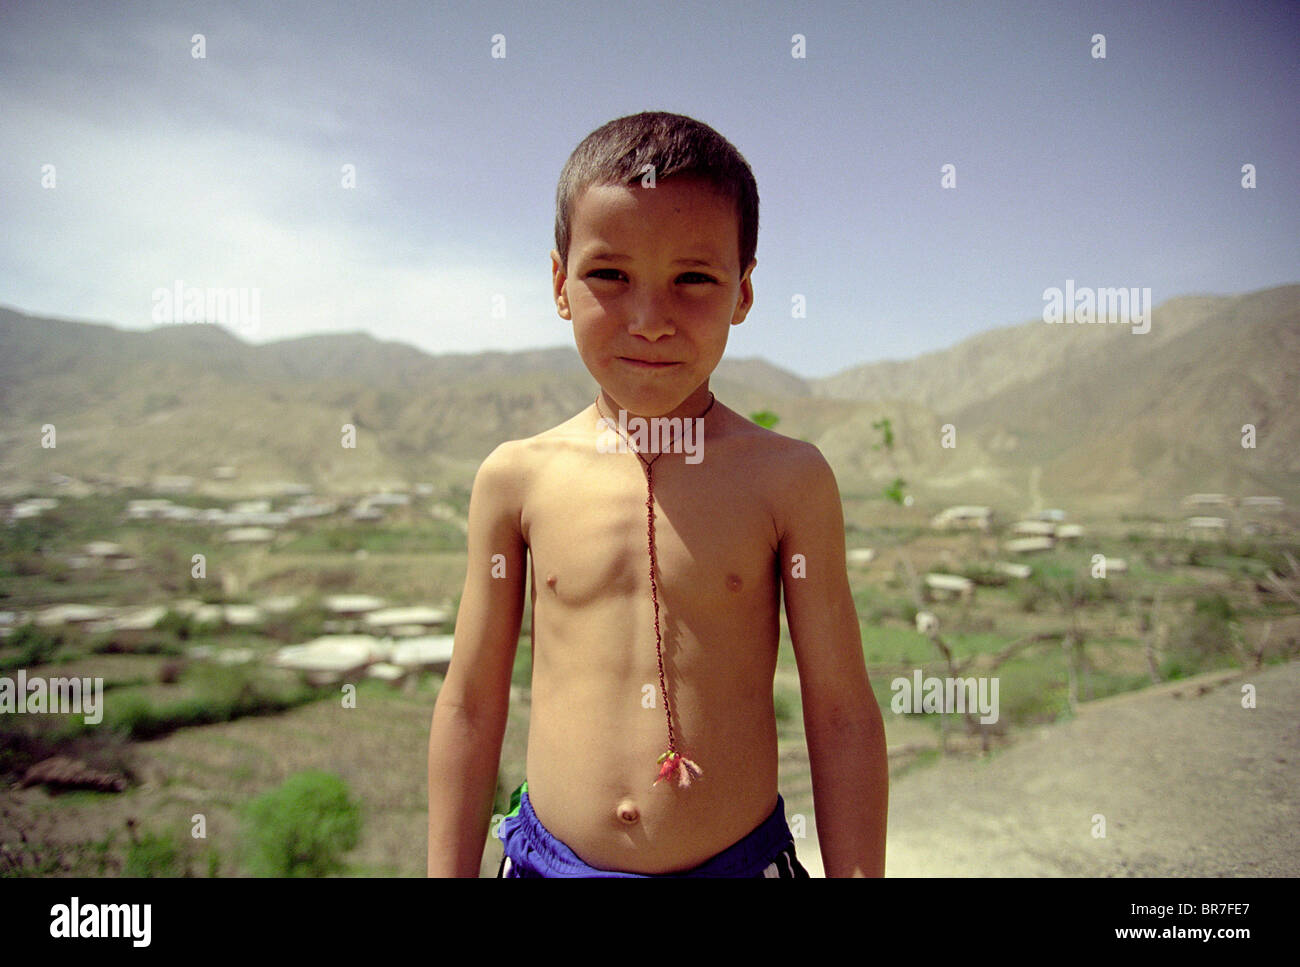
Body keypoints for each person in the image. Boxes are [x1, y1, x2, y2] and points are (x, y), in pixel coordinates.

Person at [427, 111, 887, 877]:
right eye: (610, 275)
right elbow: (471, 706)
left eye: (694, 280)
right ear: (559, 284)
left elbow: (841, 713)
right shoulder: (515, 479)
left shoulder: (789, 479)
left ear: (743, 292)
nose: (649, 320)